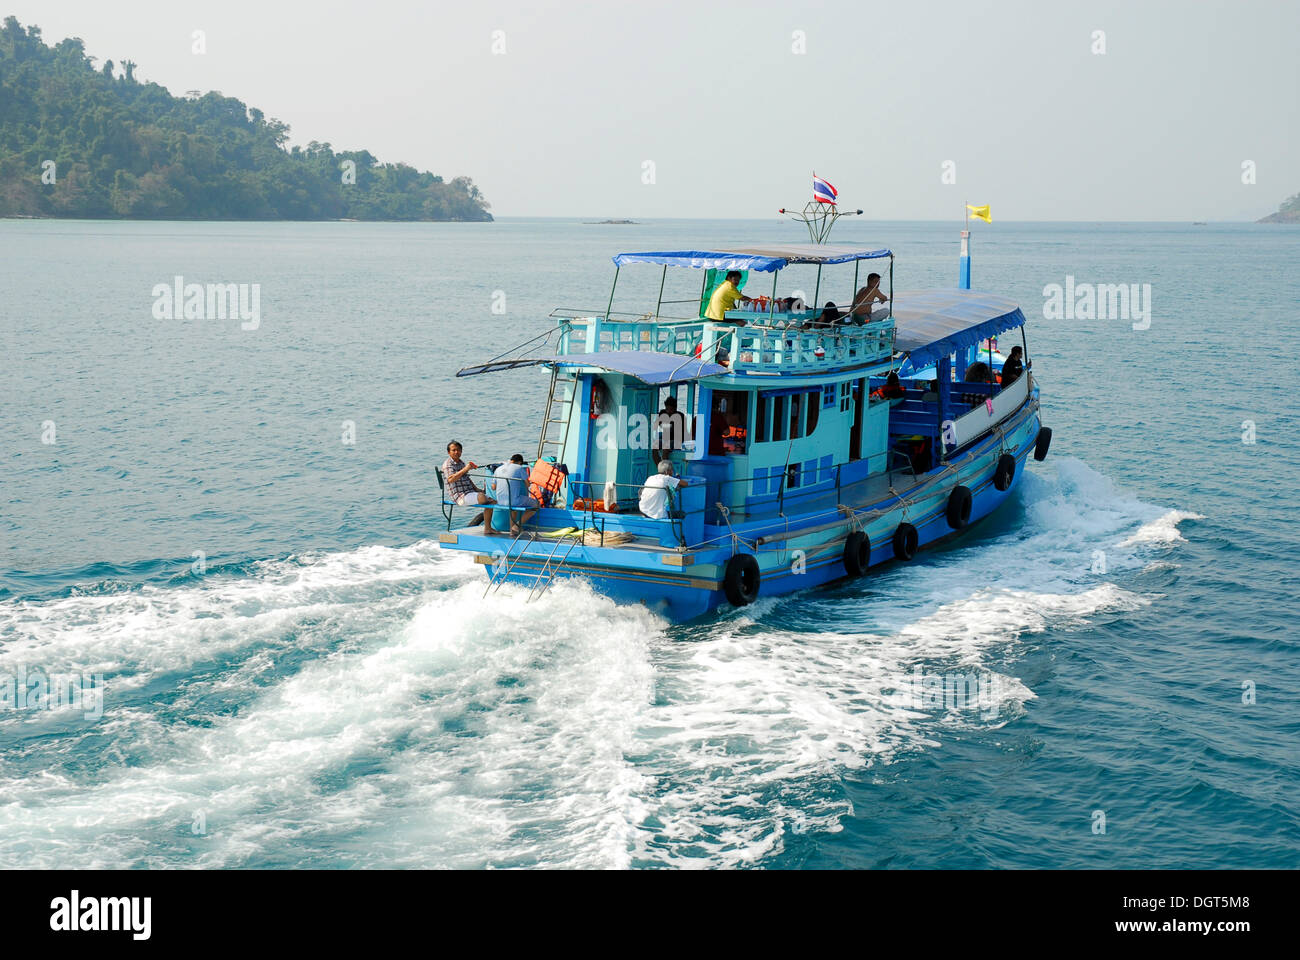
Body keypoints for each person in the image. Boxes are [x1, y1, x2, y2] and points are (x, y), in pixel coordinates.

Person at [442, 441, 495, 530]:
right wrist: (465, 469)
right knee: (483, 498)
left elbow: (467, 479)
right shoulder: (448, 465)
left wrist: (478, 489)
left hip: (469, 492)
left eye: (458, 450)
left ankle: (488, 528)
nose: (456, 452)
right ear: (449, 452)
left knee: (493, 500)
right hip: (460, 496)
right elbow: (450, 479)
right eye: (453, 450)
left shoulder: (461, 462)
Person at [491, 454, 539, 535]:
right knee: (536, 505)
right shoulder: (519, 468)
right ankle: (516, 526)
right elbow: (527, 485)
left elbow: (493, 487)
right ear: (520, 462)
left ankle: (512, 531)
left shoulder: (498, 469)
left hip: (500, 501)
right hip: (514, 501)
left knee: (513, 508)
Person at [653, 395, 690, 463]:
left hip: (677, 439)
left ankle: (665, 469)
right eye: (667, 409)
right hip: (665, 438)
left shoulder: (680, 416)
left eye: (671, 410)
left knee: (665, 447)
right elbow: (655, 424)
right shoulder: (663, 413)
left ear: (675, 408)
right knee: (654, 446)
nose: (669, 411)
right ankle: (659, 467)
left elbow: (672, 429)